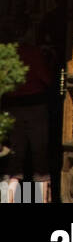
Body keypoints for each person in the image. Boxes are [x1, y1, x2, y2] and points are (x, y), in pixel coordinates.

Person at [1, 13, 54, 204]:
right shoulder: (33, 53)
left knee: (15, 160)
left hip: (12, 107)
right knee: (39, 160)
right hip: (35, 107)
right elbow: (46, 79)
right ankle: (38, 201)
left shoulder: (5, 53)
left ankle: (9, 201)